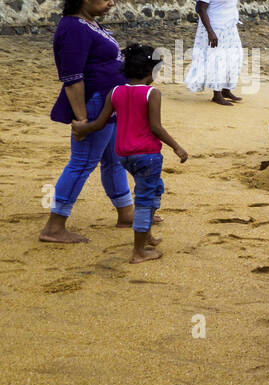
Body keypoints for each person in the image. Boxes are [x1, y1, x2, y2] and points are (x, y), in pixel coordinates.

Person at [40, 0, 135, 245]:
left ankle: (126, 212)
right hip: (94, 103)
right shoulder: (73, 28)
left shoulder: (87, 24)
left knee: (113, 159)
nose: (111, 4)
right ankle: (54, 226)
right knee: (82, 163)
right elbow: (72, 77)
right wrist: (81, 118)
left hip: (108, 102)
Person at [71, 45, 188, 263]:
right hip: (147, 155)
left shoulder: (116, 92)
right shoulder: (152, 93)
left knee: (154, 190)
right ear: (150, 73)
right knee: (145, 200)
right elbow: (156, 127)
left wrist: (81, 128)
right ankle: (139, 251)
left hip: (124, 155)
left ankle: (147, 235)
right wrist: (176, 146)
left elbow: (99, 124)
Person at [185, 0, 243, 106]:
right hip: (215, 28)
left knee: (234, 57)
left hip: (230, 27)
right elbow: (202, 9)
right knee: (217, 60)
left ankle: (226, 88)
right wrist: (211, 32)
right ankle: (216, 94)